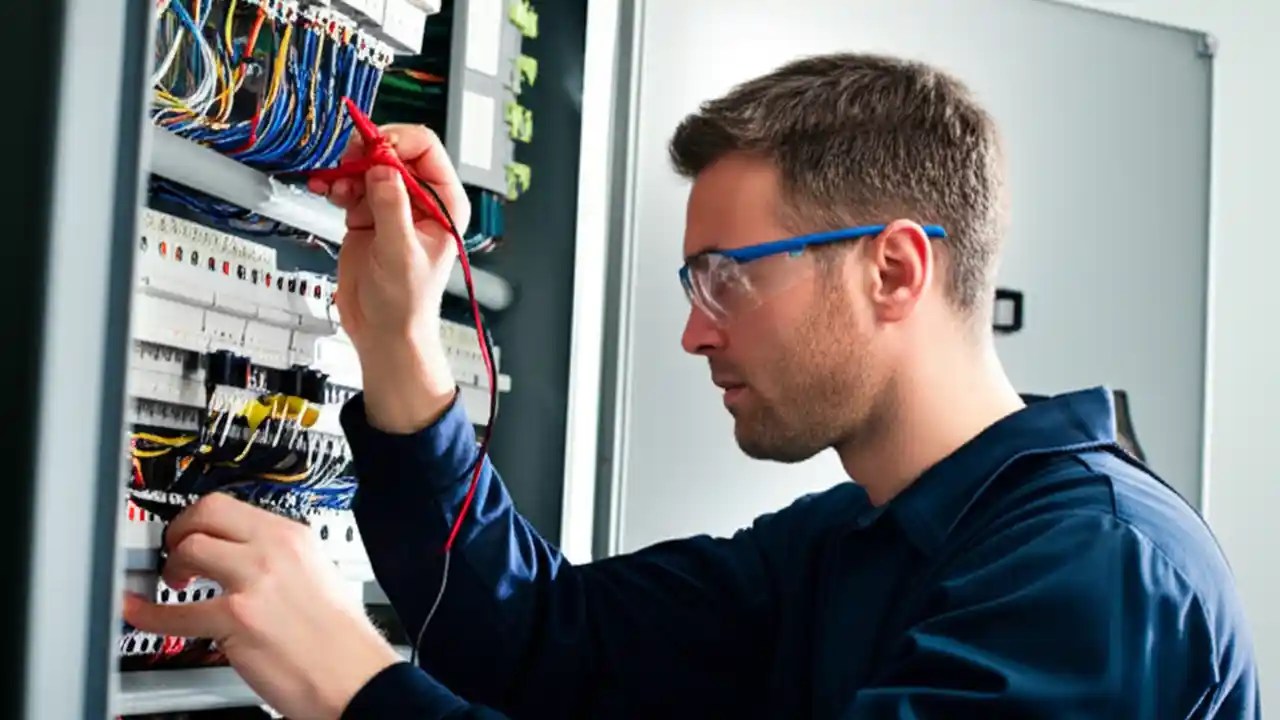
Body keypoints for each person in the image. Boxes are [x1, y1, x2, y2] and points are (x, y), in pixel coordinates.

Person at [124, 53, 1260, 719]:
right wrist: (399, 347)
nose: (690, 332)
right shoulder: (850, 541)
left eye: (725, 281)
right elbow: (537, 639)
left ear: (894, 268)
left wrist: (363, 691)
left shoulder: (1099, 575)